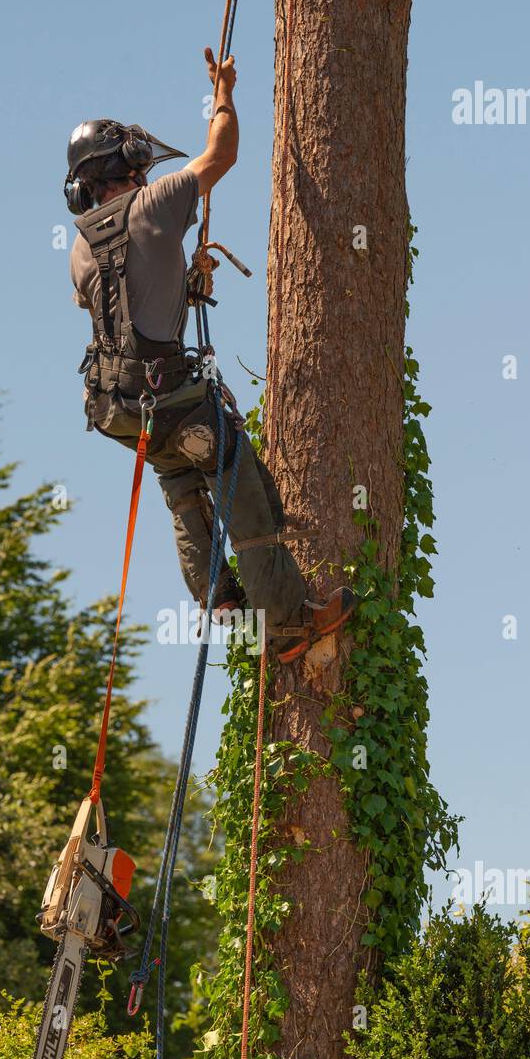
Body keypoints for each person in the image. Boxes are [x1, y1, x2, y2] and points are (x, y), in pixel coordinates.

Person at [66, 47, 355, 663]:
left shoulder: (81, 248)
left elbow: (118, 307)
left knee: (179, 487)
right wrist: (222, 92)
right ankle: (283, 621)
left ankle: (222, 603)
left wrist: (181, 282)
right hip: (173, 400)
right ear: (128, 167)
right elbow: (221, 152)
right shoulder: (157, 202)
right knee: (239, 484)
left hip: (120, 411)